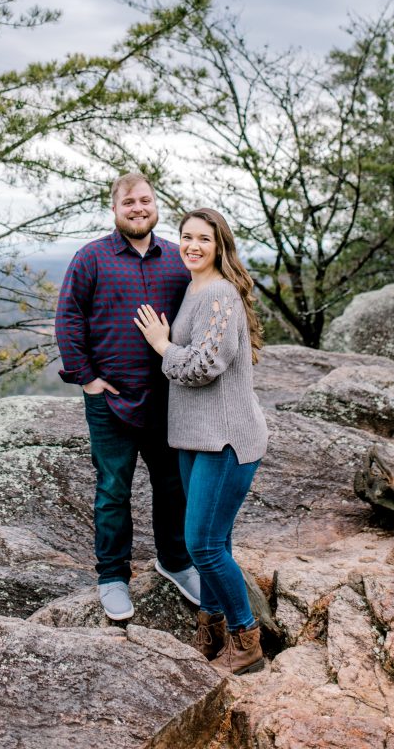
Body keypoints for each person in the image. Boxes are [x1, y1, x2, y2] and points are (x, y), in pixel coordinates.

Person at [55, 172, 200, 621]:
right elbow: (68, 319)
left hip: (168, 399)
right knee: (112, 490)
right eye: (128, 203)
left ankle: (174, 562)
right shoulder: (91, 258)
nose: (138, 208)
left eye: (145, 200)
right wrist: (88, 380)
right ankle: (113, 577)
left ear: (156, 204)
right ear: (114, 209)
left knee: (173, 487)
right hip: (110, 402)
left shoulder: (179, 260)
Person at [133, 207, 268, 675]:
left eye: (203, 239)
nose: (192, 245)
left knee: (202, 545)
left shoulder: (218, 296)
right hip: (195, 439)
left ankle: (246, 639)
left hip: (227, 442)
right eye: (186, 237)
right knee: (216, 543)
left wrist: (161, 345)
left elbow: (201, 367)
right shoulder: (194, 289)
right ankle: (211, 630)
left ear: (220, 246)